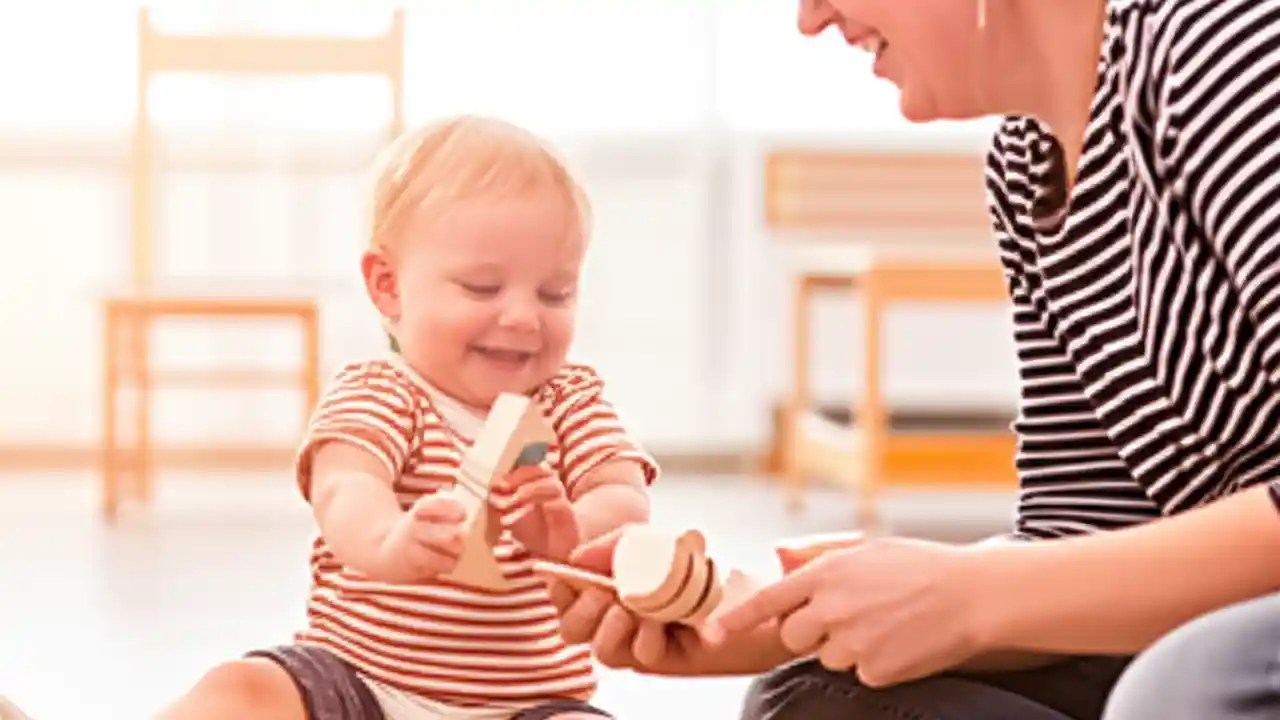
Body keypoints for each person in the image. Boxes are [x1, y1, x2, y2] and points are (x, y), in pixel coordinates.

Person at [546, 0, 1280, 718]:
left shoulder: (1223, 53)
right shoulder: (1028, 170)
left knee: (1190, 683)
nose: (811, 17)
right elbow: (1082, 542)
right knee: (821, 697)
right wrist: (765, 617)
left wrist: (975, 594)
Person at [157, 116, 659, 720]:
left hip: (530, 705)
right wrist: (391, 540)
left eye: (555, 294)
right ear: (388, 286)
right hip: (359, 684)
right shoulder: (384, 392)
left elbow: (624, 494)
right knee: (239, 690)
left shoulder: (571, 399)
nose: (525, 317)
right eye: (482, 288)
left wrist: (573, 528)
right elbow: (345, 487)